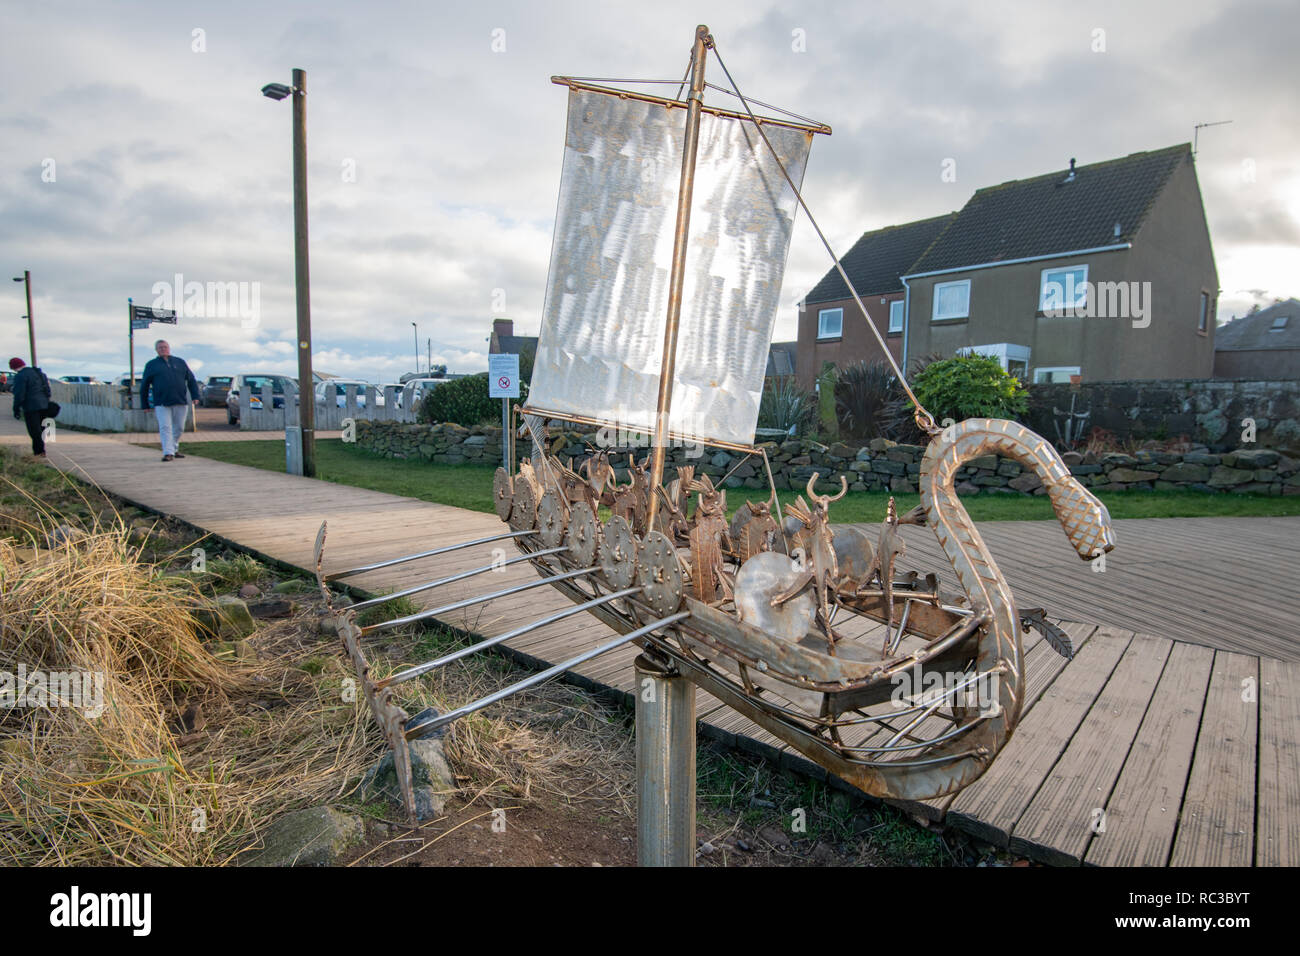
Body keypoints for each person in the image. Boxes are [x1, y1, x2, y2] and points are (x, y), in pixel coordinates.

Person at [140, 340, 200, 462]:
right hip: (162, 402)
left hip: (180, 401)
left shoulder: (180, 362)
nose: (163, 349)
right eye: (160, 348)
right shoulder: (152, 365)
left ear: (169, 348)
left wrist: (195, 396)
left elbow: (191, 380)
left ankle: (173, 448)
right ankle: (168, 453)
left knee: (179, 428)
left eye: (165, 347)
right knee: (165, 427)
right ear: (156, 350)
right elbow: (145, 385)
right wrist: (145, 404)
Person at [9, 356, 52, 458]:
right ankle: (40, 450)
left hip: (31, 406)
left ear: (14, 368)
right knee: (41, 429)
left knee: (34, 430)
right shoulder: (39, 373)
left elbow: (19, 394)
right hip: (44, 405)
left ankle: (39, 452)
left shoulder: (21, 376)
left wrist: (16, 408)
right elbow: (47, 389)